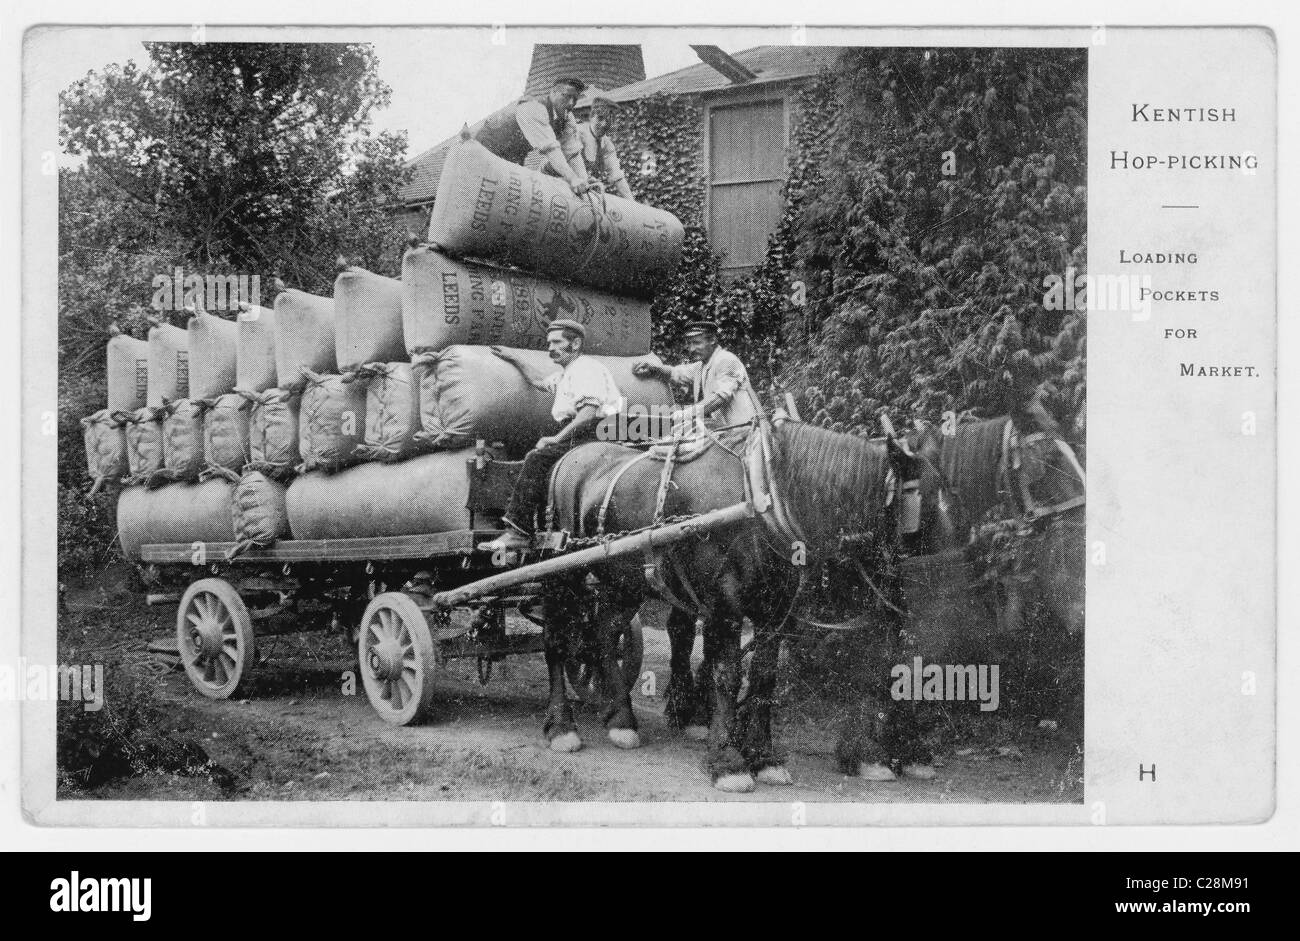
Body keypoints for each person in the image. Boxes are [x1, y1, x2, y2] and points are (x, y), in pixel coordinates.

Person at [479, 320, 625, 552]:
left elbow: (588, 412)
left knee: (537, 459)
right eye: (548, 343)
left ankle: (519, 531)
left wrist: (556, 439)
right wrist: (514, 358)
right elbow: (539, 381)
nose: (550, 348)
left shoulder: (586, 368)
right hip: (582, 428)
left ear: (575, 343)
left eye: (557, 342)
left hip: (592, 430)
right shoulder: (568, 372)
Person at [474, 77, 595, 196]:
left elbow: (572, 152)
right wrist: (573, 179)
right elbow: (552, 150)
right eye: (566, 96)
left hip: (512, 158)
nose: (571, 103)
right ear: (553, 92)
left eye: (575, 99)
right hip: (485, 149)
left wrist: (584, 179)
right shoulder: (535, 108)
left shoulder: (567, 118)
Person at [633, 320, 759, 433]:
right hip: (727, 434)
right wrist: (654, 369)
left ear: (712, 340)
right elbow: (676, 373)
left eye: (697, 343)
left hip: (746, 433)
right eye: (689, 344)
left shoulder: (726, 360)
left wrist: (687, 414)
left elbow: (719, 398)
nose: (691, 349)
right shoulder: (701, 366)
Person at [576, 97, 634, 201]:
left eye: (608, 121)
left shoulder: (606, 144)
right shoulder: (578, 133)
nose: (603, 124)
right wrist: (585, 180)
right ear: (592, 116)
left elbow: (617, 177)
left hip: (580, 188)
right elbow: (572, 161)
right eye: (600, 118)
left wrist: (633, 204)